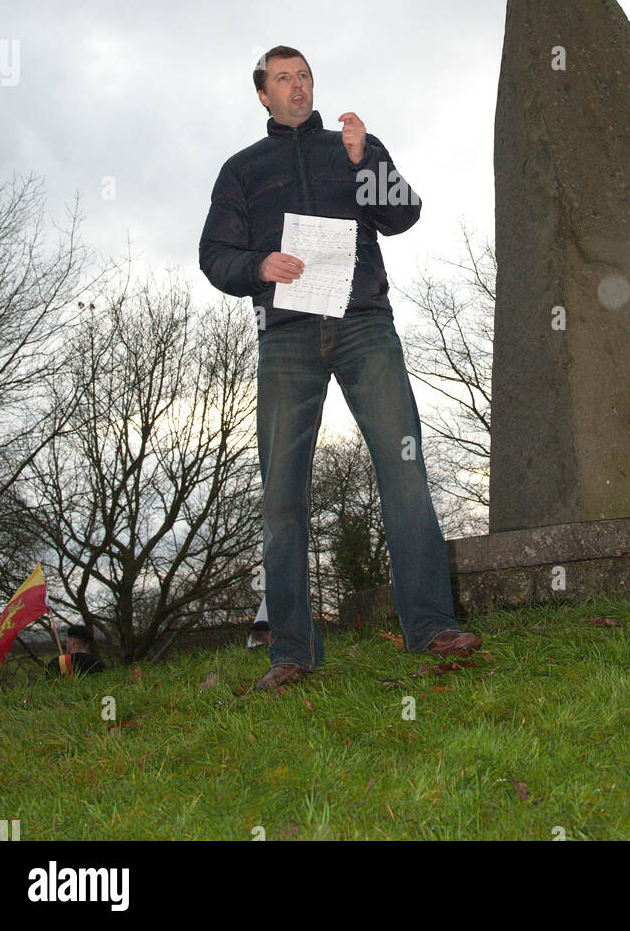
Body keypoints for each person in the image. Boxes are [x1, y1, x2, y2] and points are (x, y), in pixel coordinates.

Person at [199, 46, 479, 691]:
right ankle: (291, 653)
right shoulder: (241, 170)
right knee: (281, 494)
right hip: (286, 338)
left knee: (403, 470)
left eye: (304, 77)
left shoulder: (353, 146)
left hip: (363, 326)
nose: (296, 88)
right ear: (263, 95)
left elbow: (403, 215)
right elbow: (215, 255)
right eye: (282, 80)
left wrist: (367, 162)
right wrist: (258, 266)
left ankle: (433, 627)